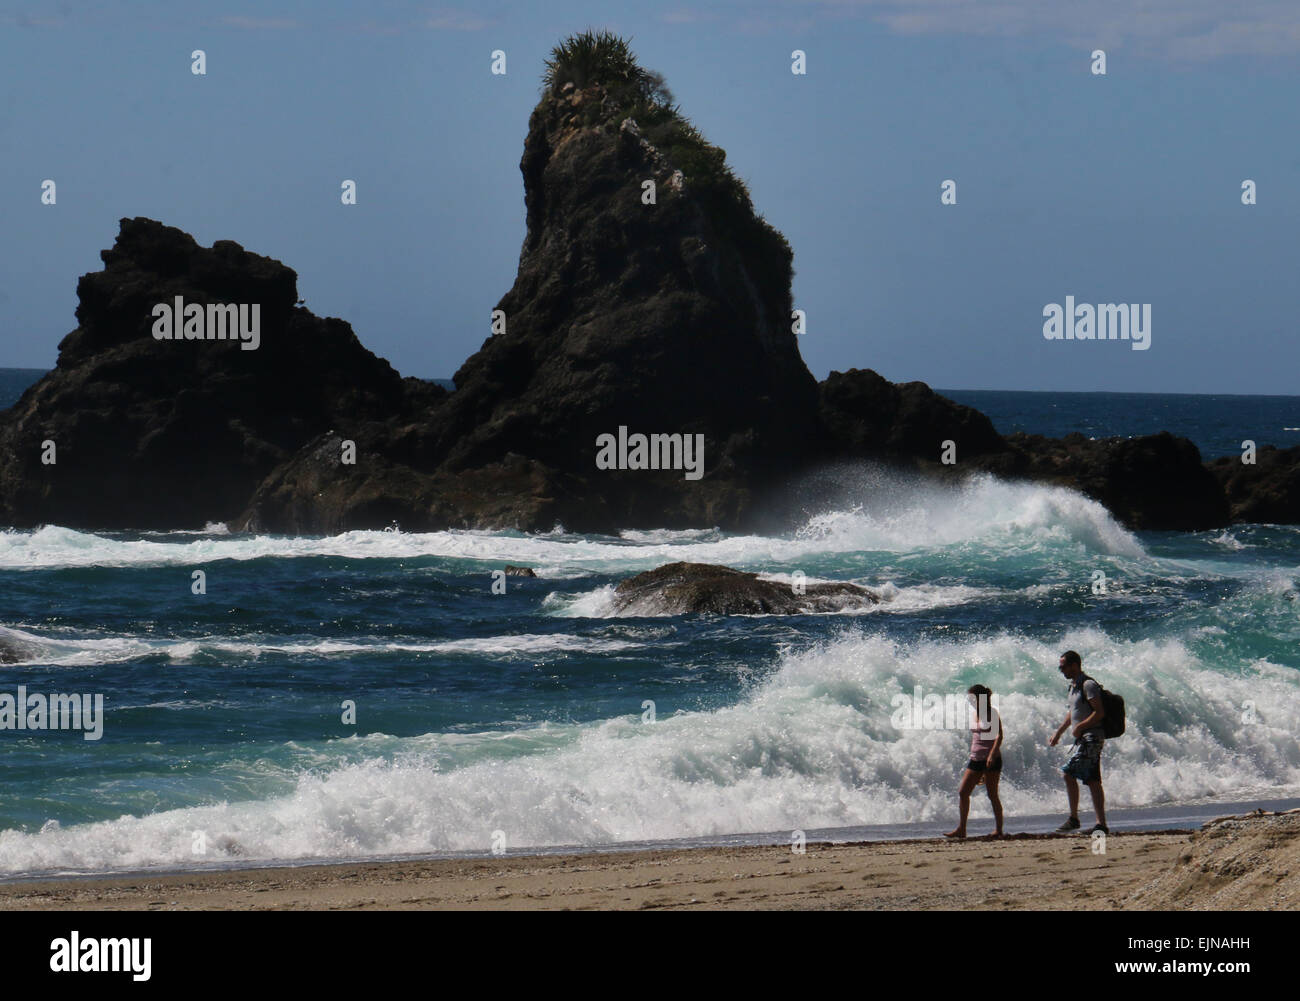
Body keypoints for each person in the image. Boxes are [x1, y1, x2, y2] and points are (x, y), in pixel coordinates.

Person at [1049, 650, 1108, 834]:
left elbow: (1099, 712)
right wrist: (1059, 733)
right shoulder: (1073, 686)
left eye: (1063, 667)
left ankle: (1074, 819)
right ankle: (1101, 825)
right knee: (1092, 780)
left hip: (1092, 737)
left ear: (1074, 665)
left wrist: (1080, 726)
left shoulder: (1088, 684)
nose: (1062, 671)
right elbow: (1072, 713)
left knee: (1068, 773)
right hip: (1084, 738)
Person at [944, 684, 1004, 839]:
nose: (969, 700)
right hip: (975, 759)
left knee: (992, 795)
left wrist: (992, 754)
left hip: (991, 759)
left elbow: (999, 736)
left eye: (971, 697)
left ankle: (999, 829)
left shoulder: (992, 713)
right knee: (963, 792)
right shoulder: (975, 713)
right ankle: (962, 829)